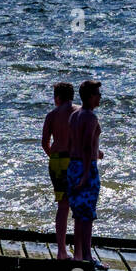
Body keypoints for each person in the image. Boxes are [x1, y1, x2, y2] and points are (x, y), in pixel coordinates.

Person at [66, 79, 104, 268]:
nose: (100, 97)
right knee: (87, 215)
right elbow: (87, 145)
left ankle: (78, 255)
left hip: (73, 165)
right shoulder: (90, 117)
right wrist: (87, 173)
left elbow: (76, 144)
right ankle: (88, 256)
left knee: (78, 213)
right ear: (90, 96)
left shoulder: (74, 116)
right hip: (85, 167)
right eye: (98, 94)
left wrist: (97, 152)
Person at [41, 81, 78, 259]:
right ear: (72, 96)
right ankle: (80, 251)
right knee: (78, 206)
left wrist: (54, 158)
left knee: (62, 206)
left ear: (57, 98)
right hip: (74, 161)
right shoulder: (79, 112)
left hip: (56, 160)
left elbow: (44, 143)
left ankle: (61, 251)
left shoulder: (51, 115)